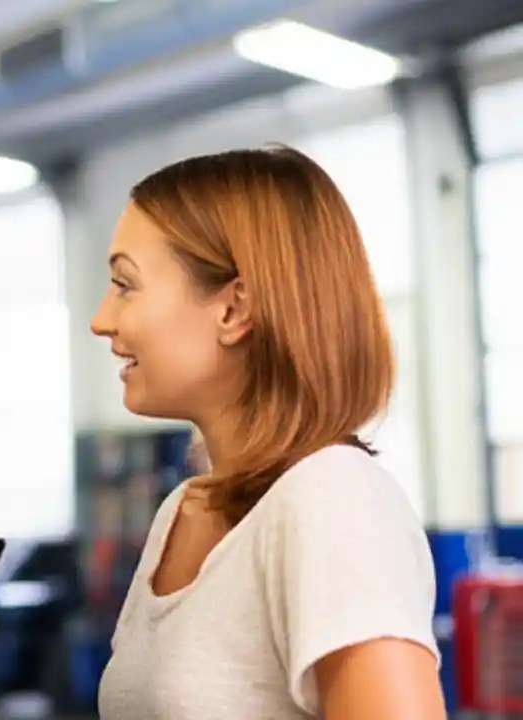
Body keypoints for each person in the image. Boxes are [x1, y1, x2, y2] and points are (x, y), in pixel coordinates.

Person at [92, 146, 445, 719]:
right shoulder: (182, 510)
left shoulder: (333, 496)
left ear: (234, 310)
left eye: (125, 284)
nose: (101, 320)